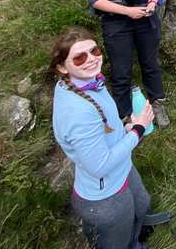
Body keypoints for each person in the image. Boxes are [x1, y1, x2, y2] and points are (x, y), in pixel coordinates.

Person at [50, 26, 155, 249]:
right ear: (62, 67)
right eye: (79, 58)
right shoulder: (78, 112)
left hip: (122, 169)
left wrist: (125, 127)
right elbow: (100, 166)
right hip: (104, 195)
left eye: (94, 51)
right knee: (117, 241)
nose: (90, 60)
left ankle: (136, 243)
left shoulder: (89, 82)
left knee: (142, 205)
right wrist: (138, 130)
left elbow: (106, 124)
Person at [88, 0, 169, 127]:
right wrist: (127, 11)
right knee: (121, 70)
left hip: (145, 17)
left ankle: (157, 103)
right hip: (117, 21)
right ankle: (124, 116)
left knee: (150, 63)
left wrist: (152, 2)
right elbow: (95, 0)